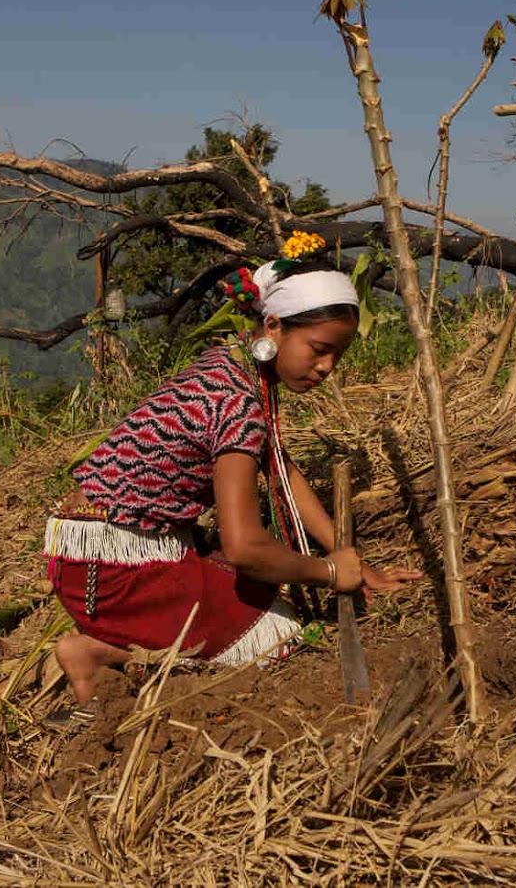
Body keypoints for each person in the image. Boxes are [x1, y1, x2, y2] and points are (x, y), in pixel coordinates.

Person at [43, 235, 422, 702]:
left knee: (257, 585)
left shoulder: (231, 362)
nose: (326, 367)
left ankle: (119, 632)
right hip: (119, 572)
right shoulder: (237, 402)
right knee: (275, 632)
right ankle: (100, 650)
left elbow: (280, 468)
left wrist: (350, 559)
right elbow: (245, 547)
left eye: (337, 356)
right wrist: (328, 572)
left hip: (86, 559)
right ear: (275, 325)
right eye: (319, 349)